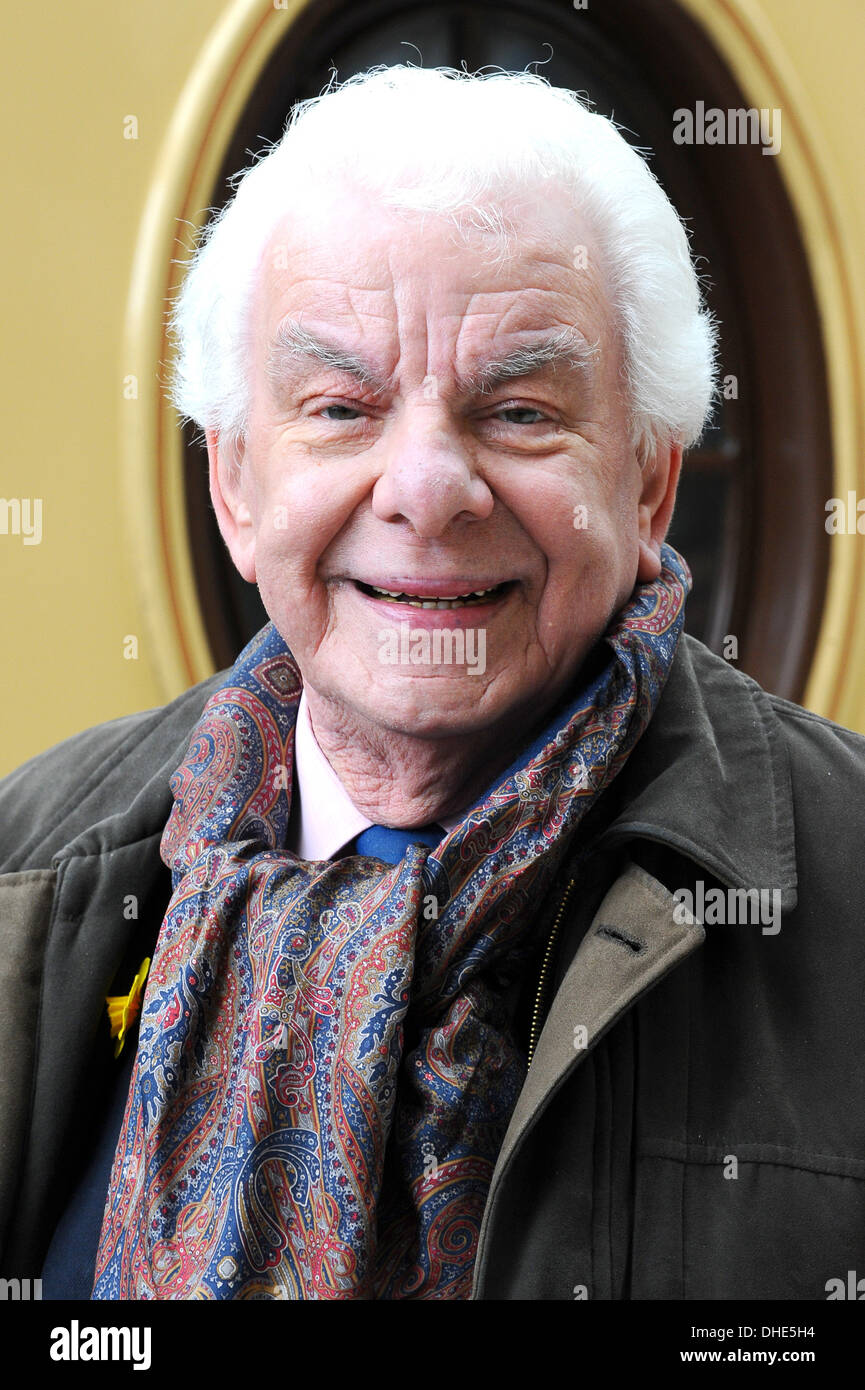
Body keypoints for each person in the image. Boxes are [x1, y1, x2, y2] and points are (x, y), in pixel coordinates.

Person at [1, 64, 863, 1302]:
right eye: (341, 407)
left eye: (517, 411)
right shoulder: (28, 865)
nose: (423, 488)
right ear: (235, 486)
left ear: (647, 482)